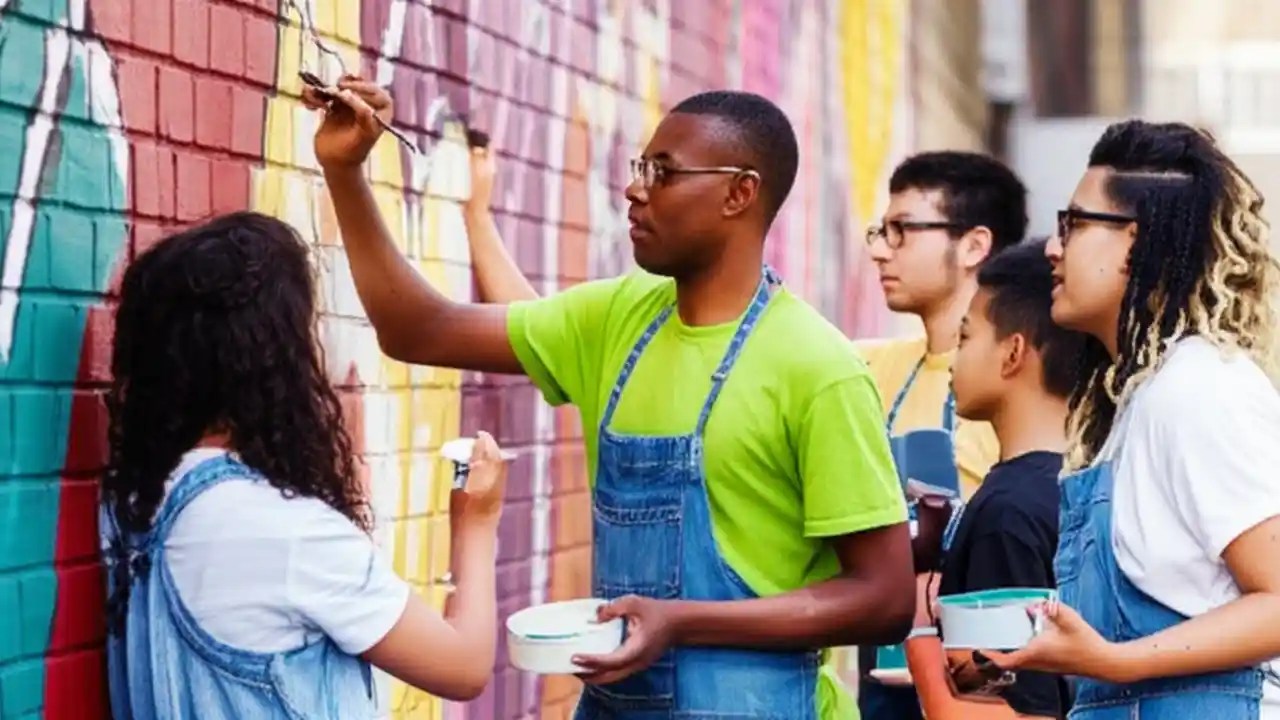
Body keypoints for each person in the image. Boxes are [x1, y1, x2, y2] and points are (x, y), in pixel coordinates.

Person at [306, 76, 916, 719]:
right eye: (640, 166)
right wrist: (345, 171)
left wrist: (679, 621)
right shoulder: (615, 320)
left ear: (740, 192)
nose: (635, 189)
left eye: (665, 171)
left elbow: (883, 598)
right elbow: (416, 329)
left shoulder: (818, 368)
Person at [101, 212, 511, 719]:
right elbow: (463, 666)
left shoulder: (135, 502)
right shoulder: (284, 534)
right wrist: (478, 522)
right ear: (274, 358)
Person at [983, 120, 1280, 718]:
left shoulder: (1199, 388)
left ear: (1140, 243)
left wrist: (1114, 662)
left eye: (1074, 223)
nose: (1051, 247)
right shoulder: (1136, 400)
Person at [857, 151, 1025, 720]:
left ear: (975, 245)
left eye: (902, 230)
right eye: (881, 231)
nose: (880, 248)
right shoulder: (862, 369)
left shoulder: (1017, 383)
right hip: (882, 669)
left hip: (984, 680)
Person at [907, 238, 1083, 720]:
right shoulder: (1082, 486)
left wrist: (919, 626)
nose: (954, 358)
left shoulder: (1008, 512)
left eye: (965, 337)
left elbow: (1021, 713)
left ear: (1013, 353)